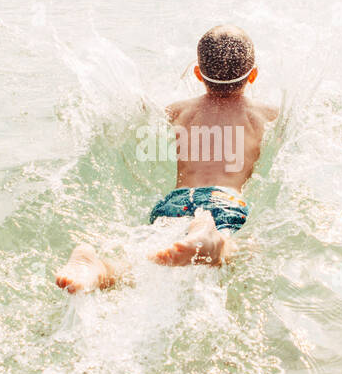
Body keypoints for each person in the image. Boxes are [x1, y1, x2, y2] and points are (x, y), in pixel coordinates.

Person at [55, 24, 278, 293]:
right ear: (253, 75)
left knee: (146, 263)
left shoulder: (182, 110)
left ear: (197, 73)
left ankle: (99, 268)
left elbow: (146, 112)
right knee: (241, 250)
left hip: (177, 200)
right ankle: (211, 241)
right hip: (224, 199)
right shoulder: (260, 115)